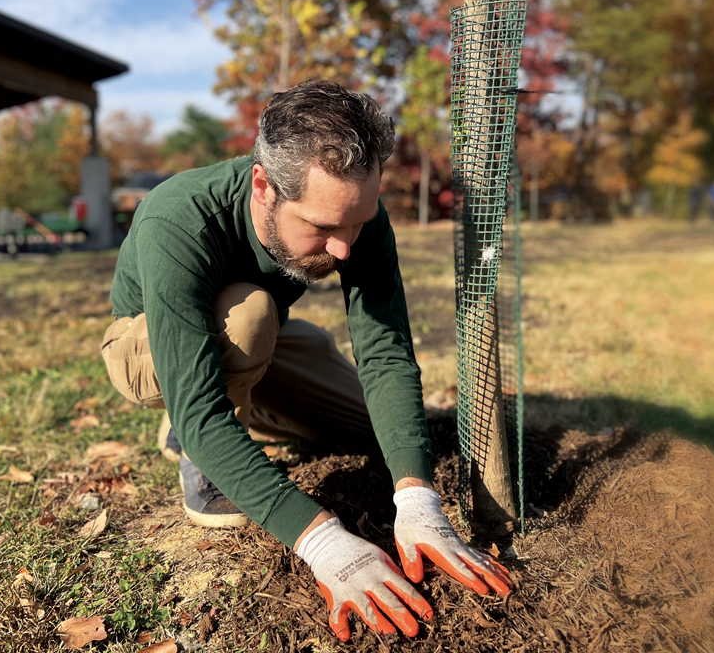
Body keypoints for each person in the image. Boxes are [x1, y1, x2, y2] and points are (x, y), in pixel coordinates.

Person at [98, 80, 512, 641]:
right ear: (264, 185)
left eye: (357, 223)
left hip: (262, 339)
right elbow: (203, 406)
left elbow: (386, 353)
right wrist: (323, 540)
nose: (345, 247)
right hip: (152, 344)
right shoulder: (177, 218)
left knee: (374, 427)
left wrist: (416, 496)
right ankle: (197, 447)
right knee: (249, 318)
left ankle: (241, 392)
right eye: (322, 227)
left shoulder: (354, 215)